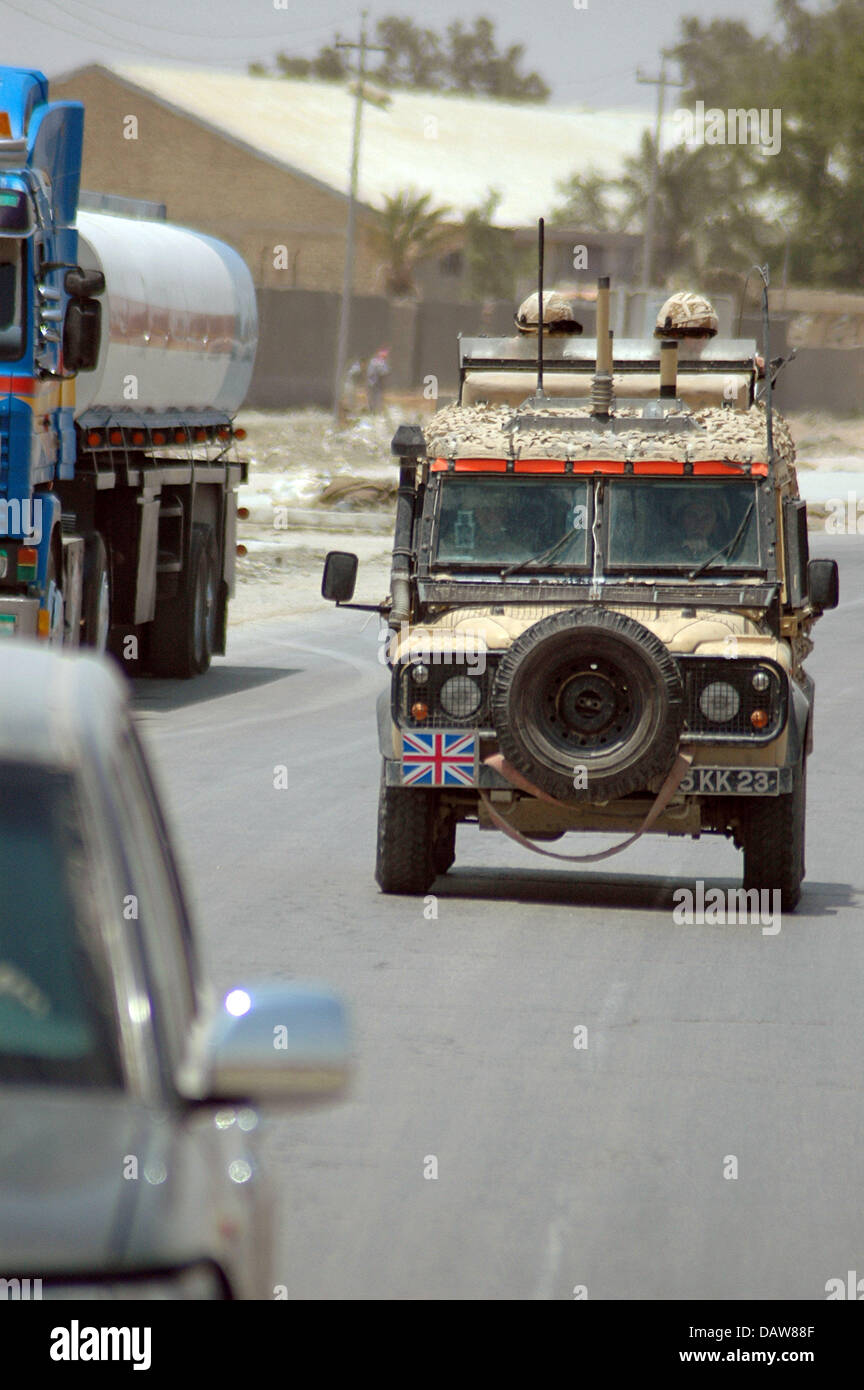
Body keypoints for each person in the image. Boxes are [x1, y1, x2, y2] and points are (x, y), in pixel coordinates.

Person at [366, 347, 390, 413]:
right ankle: (373, 411)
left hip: (378, 384)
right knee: (373, 398)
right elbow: (383, 372)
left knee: (377, 398)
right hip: (373, 383)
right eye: (383, 356)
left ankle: (376, 411)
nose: (384, 357)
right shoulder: (375, 362)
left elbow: (385, 373)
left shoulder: (382, 363)